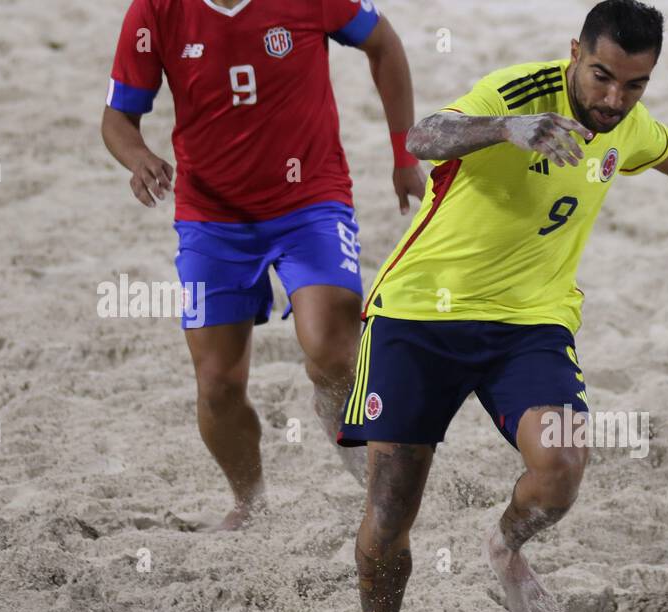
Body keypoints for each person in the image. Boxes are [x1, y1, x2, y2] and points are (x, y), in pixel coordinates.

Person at [338, 0, 668, 612]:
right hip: (419, 315)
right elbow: (425, 137)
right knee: (391, 505)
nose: (614, 98)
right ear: (574, 52)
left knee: (562, 467)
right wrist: (507, 128)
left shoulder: (625, 123)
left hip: (530, 323)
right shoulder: (519, 92)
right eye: (601, 76)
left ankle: (505, 543)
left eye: (634, 85)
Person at [102, 0, 425, 529]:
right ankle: (249, 503)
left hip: (311, 202)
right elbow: (117, 117)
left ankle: (360, 451)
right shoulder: (155, 11)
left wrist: (403, 154)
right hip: (212, 219)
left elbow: (384, 44)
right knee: (218, 385)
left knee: (332, 350)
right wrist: (139, 157)